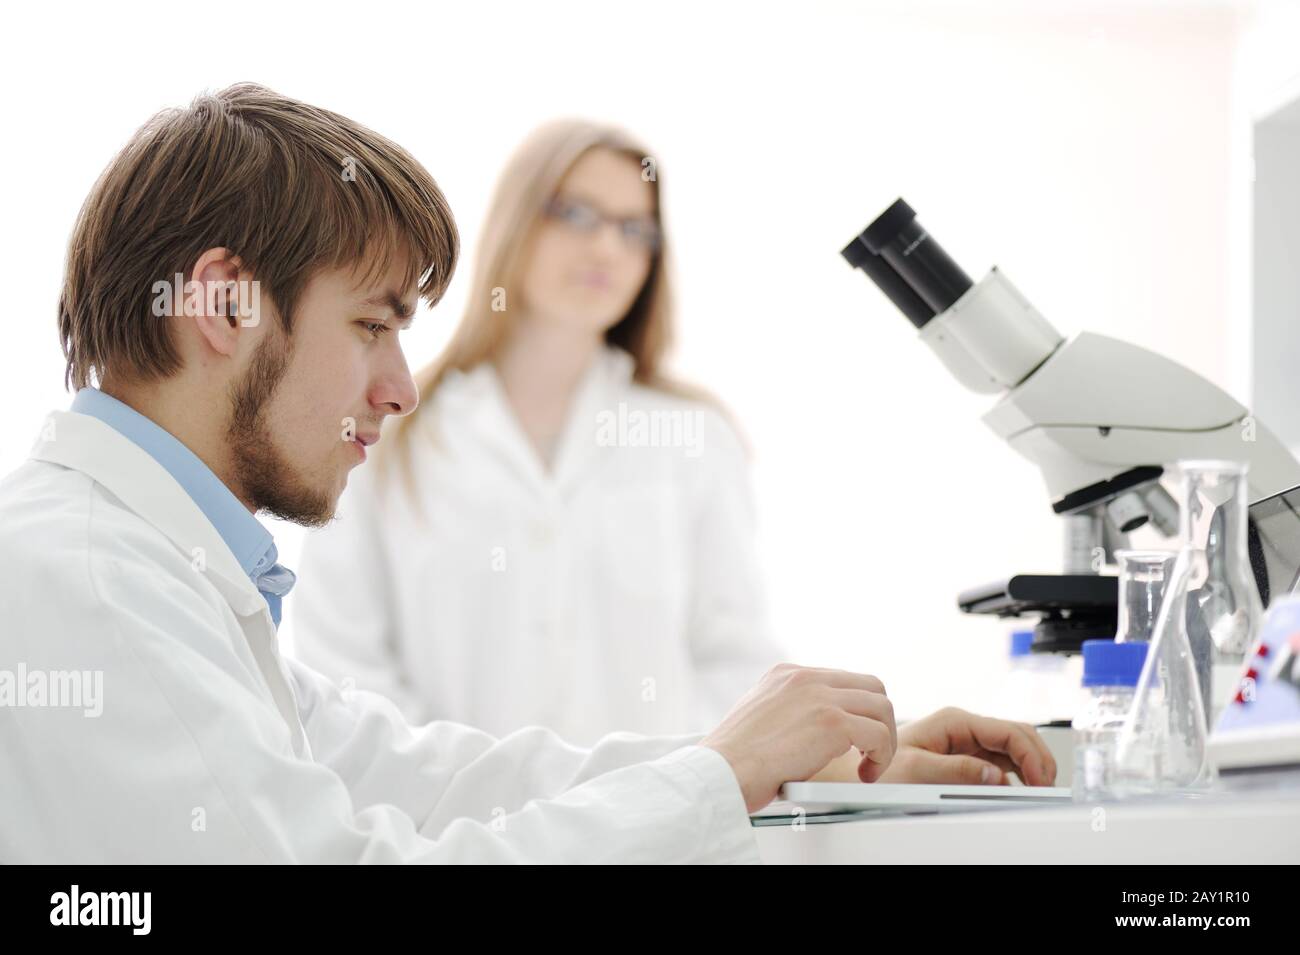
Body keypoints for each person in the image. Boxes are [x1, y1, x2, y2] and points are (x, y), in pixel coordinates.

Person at [0, 83, 1056, 864]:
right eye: (370, 325)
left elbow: (424, 771)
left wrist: (793, 762)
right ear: (223, 304)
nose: (396, 388)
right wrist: (718, 774)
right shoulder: (91, 583)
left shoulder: (167, 572)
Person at [293, 120, 784, 744]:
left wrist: (661, 790)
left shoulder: (693, 437)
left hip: (658, 824)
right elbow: (345, 669)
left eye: (635, 230)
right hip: (452, 830)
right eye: (578, 214)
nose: (608, 248)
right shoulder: (389, 429)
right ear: (517, 222)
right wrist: (476, 798)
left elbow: (734, 664)